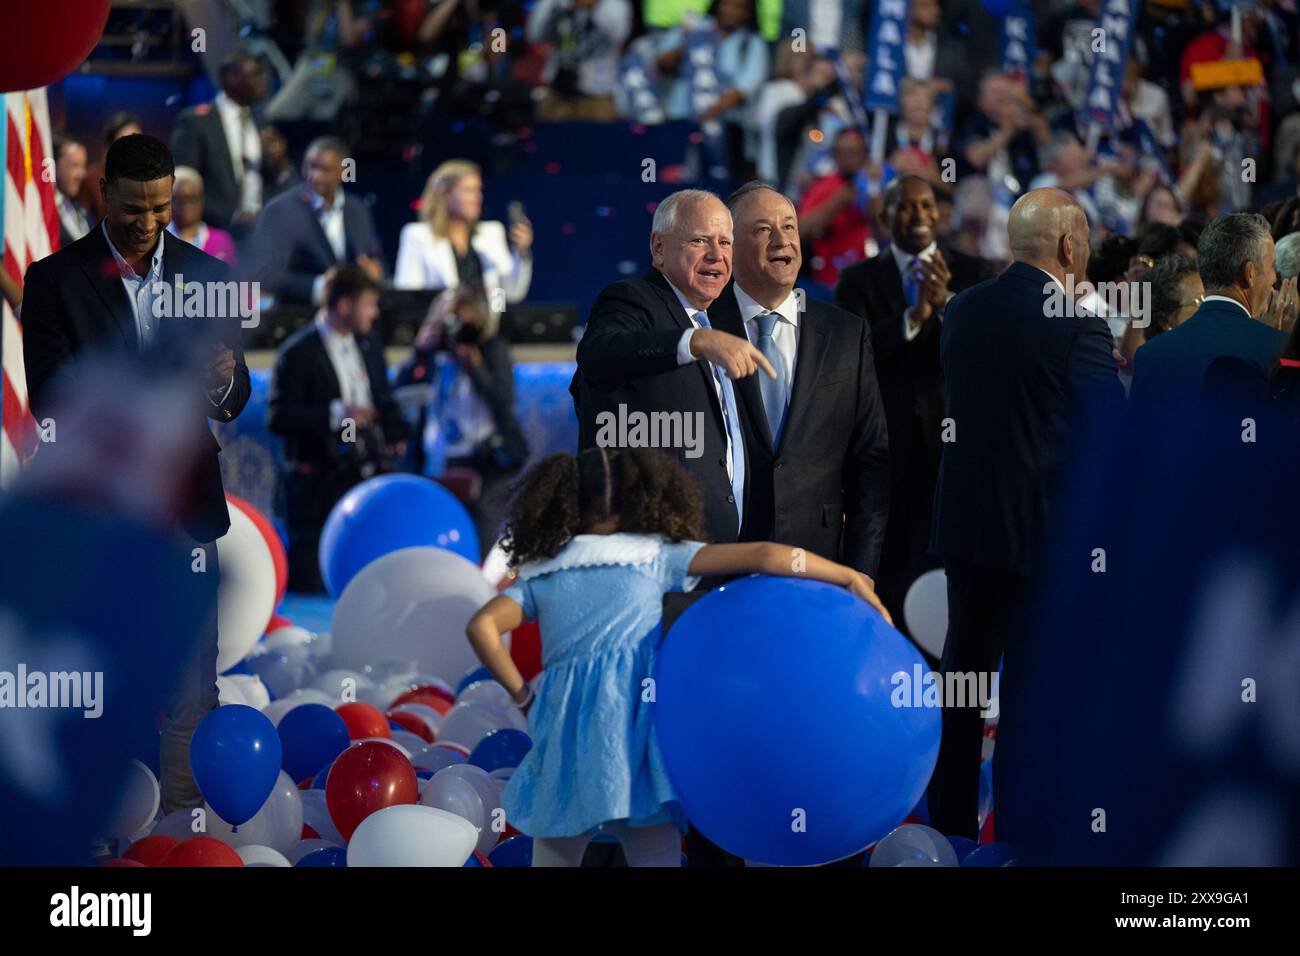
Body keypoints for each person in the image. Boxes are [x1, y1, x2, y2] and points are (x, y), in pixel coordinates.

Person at [464, 446, 891, 867]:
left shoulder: (548, 572)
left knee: (556, 851)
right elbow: (765, 555)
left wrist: (523, 696)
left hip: (565, 738)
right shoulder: (653, 558)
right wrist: (847, 575)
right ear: (642, 499)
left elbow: (481, 626)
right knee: (654, 851)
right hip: (635, 740)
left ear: (565, 503)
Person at [21, 133, 251, 813]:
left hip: (185, 513)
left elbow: (233, 403)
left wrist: (225, 379)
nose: (148, 224)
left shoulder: (209, 277)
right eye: (133, 210)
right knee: (93, 681)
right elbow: (51, 402)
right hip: (97, 516)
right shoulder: (55, 280)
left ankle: (178, 830)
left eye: (161, 208)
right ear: (103, 197)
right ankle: (94, 830)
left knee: (192, 684)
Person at [927, 188, 1124, 842]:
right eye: (1088, 241)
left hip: (967, 532)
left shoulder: (962, 310)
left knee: (962, 688)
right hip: (1039, 543)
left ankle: (950, 830)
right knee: (1029, 702)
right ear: (1069, 245)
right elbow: (1107, 441)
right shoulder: (1078, 326)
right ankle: (1014, 838)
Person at [834, 175, 996, 630]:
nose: (920, 216)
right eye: (907, 207)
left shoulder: (974, 274)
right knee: (891, 557)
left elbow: (987, 353)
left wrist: (947, 306)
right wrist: (913, 317)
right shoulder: (857, 280)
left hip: (957, 446)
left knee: (952, 560)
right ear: (886, 218)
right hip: (886, 444)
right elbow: (855, 353)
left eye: (927, 206)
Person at [706, 181, 890, 582]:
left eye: (788, 227)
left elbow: (870, 465)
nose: (781, 240)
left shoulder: (846, 333)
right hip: (720, 563)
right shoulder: (700, 326)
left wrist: (860, 573)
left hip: (818, 562)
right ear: (730, 246)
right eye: (762, 230)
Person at [570, 188, 774, 546]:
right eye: (700, 240)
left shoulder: (717, 323)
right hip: (653, 548)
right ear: (659, 248)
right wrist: (693, 342)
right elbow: (599, 355)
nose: (717, 255)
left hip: (720, 550)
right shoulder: (632, 300)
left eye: (725, 243)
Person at [266, 265, 409, 592]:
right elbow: (278, 418)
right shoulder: (297, 352)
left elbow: (382, 398)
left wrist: (396, 433)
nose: (374, 313)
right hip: (317, 482)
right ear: (344, 305)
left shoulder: (369, 345)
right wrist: (335, 414)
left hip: (364, 474)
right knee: (315, 583)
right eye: (369, 304)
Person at [395, 288, 528, 552]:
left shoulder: (493, 349)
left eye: (462, 318)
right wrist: (419, 353)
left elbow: (505, 403)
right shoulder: (432, 353)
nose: (455, 328)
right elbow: (399, 394)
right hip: (435, 457)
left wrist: (477, 369)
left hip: (486, 458)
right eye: (449, 319)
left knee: (481, 536)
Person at [1131, 213, 1292, 403]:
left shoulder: (1149, 356)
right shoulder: (1278, 350)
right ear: (1249, 273)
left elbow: (1137, 431)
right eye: (1272, 266)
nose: (1275, 278)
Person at [253, 136, 385, 306]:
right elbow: (265, 274)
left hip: (351, 320)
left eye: (324, 169)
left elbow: (376, 259)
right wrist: (317, 287)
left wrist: (375, 272)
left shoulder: (358, 211)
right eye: (309, 167)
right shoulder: (279, 211)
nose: (313, 176)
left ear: (343, 172)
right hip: (297, 315)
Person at [393, 160, 533, 316]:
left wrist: (521, 252)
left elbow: (511, 293)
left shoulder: (491, 234)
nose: (477, 197)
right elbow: (408, 296)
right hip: (442, 330)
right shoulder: (418, 236)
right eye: (468, 190)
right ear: (446, 195)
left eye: (478, 190)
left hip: (488, 331)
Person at [170, 50, 271, 236]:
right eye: (255, 74)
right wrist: (232, 220)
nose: (263, 80)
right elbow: (182, 185)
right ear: (231, 79)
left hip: (259, 232)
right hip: (215, 233)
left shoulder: (261, 122)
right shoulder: (196, 121)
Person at [167, 167, 239, 266]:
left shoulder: (221, 241)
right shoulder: (160, 240)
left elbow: (235, 278)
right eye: (178, 199)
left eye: (192, 198)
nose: (185, 205)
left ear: (202, 201)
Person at [53, 134, 92, 246]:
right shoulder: (45, 210)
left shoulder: (80, 208)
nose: (82, 174)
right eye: (75, 165)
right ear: (55, 165)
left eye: (83, 165)